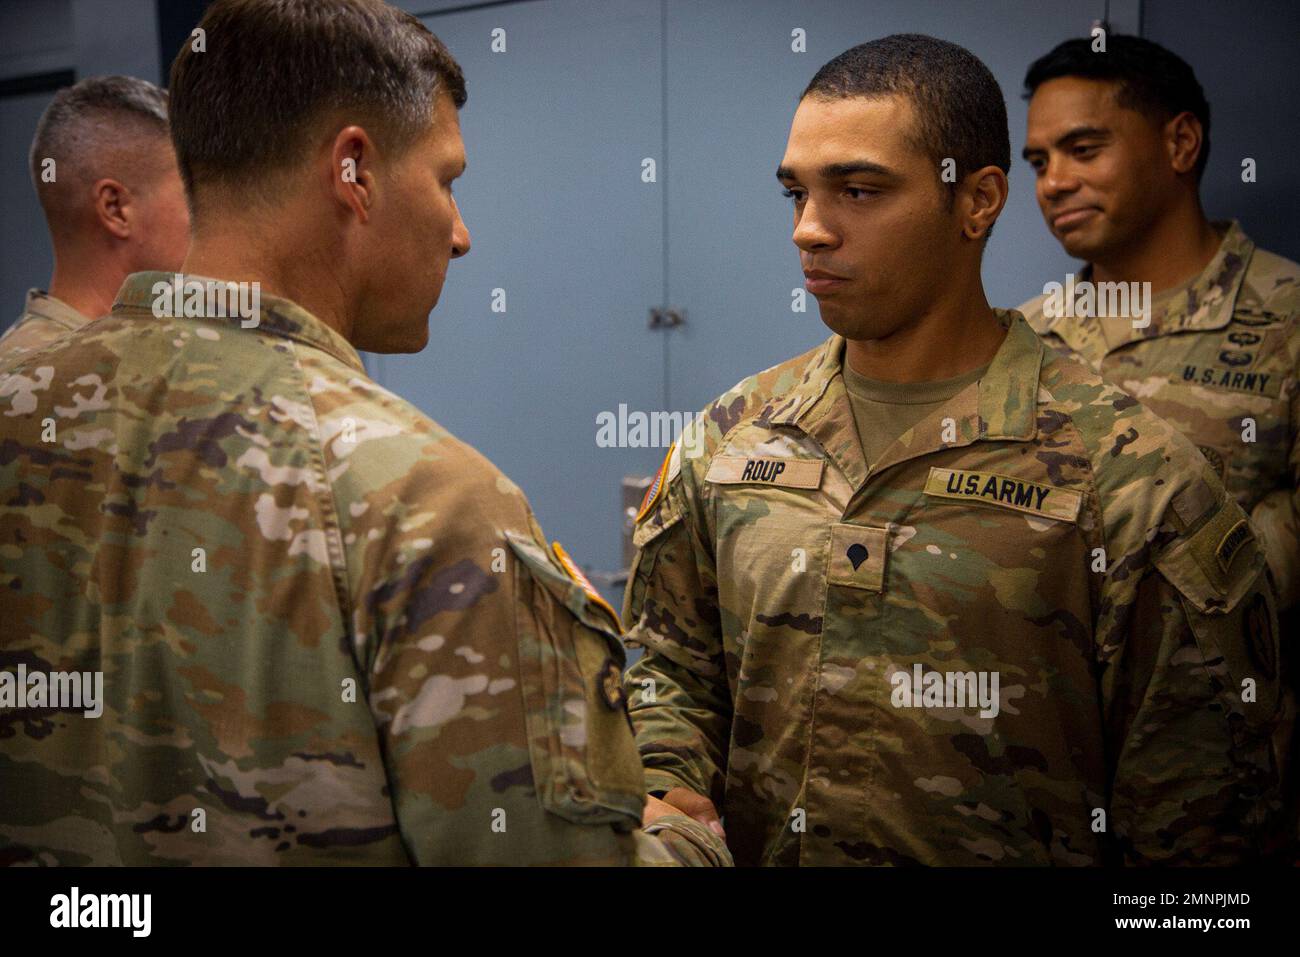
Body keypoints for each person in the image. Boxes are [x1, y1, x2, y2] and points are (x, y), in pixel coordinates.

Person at [0, 0, 727, 868]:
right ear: (355, 171)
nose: (461, 235)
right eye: (447, 180)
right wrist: (688, 835)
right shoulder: (428, 499)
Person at [625, 34, 1283, 866]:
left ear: (977, 201)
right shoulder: (734, 434)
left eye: (859, 190)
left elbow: (1199, 829)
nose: (810, 230)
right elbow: (673, 672)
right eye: (797, 192)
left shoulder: (1131, 476)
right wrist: (669, 781)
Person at [1016, 34, 1298, 851]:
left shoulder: (1285, 319)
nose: (1054, 182)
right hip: (1044, 796)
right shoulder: (1020, 343)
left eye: (1082, 148)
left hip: (1230, 808)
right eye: (1037, 161)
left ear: (1180, 143)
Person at [0, 76, 190, 363]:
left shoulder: (146, 354)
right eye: (193, 197)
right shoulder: (34, 383)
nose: (213, 220)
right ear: (115, 208)